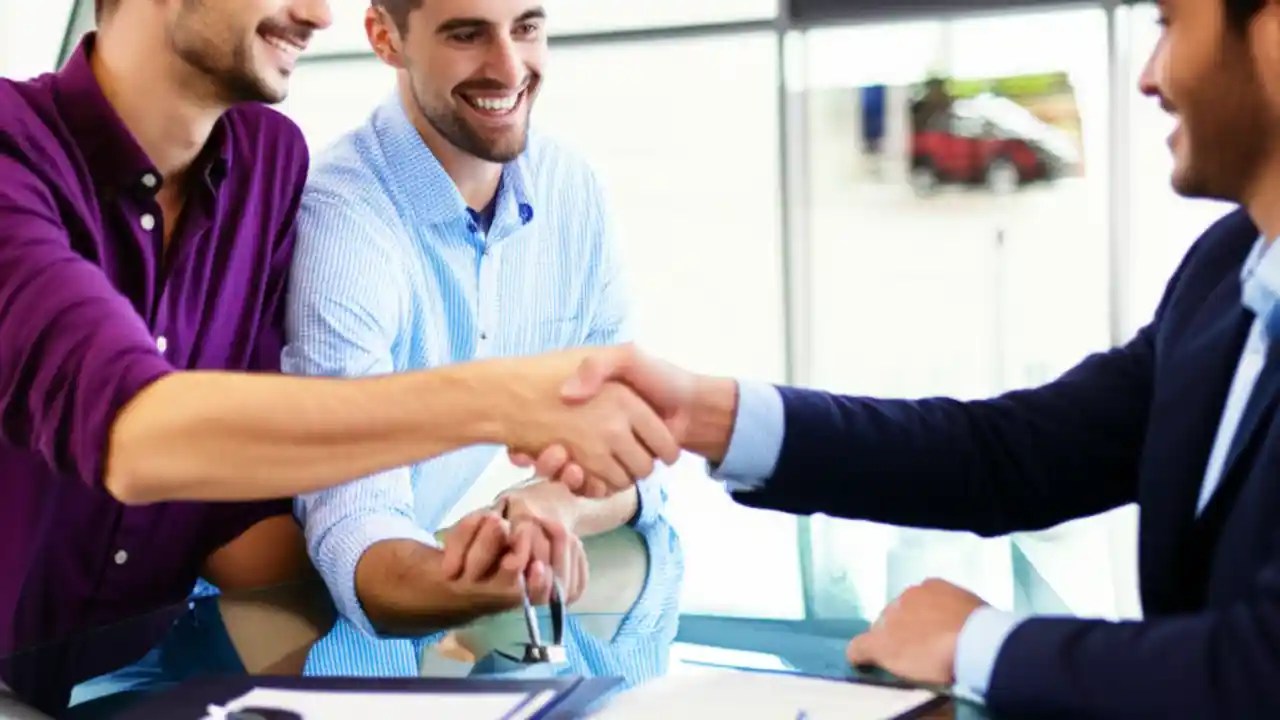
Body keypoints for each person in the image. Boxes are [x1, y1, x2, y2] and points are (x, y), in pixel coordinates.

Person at [520, 0, 1280, 716]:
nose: (1149, 75)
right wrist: (706, 414)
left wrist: (976, 641)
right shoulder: (1224, 273)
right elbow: (1012, 453)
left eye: (1171, 22)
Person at [0, 0, 675, 708]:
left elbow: (242, 500)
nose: (318, 13)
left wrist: (436, 595)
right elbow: (134, 435)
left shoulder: (265, 163)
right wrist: (502, 402)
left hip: (128, 678)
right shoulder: (17, 155)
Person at [283, 0, 667, 675]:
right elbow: (353, 514)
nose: (509, 67)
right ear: (385, 38)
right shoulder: (344, 222)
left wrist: (552, 502)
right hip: (321, 603)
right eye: (467, 34)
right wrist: (474, 579)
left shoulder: (570, 189)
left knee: (656, 559)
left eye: (526, 27)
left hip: (493, 565)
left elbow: (637, 451)